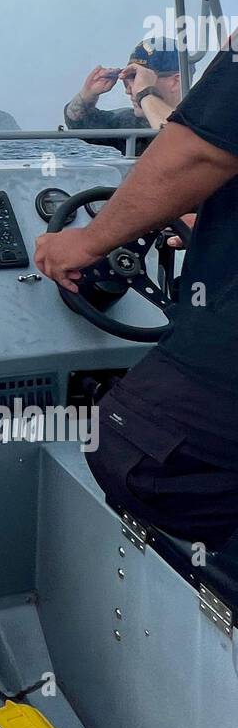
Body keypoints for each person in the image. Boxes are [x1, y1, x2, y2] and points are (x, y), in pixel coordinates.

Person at [36, 40, 238, 548]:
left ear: (179, 80)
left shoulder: (184, 124)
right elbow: (84, 125)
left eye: (143, 78)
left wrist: (86, 242)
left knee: (129, 449)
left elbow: (192, 148)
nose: (132, 87)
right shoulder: (134, 132)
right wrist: (87, 98)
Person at [63, 38, 182, 149]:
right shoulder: (131, 124)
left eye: (139, 79)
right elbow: (79, 122)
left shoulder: (199, 120)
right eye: (126, 81)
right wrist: (87, 95)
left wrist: (145, 93)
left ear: (176, 82)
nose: (129, 90)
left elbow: (181, 142)